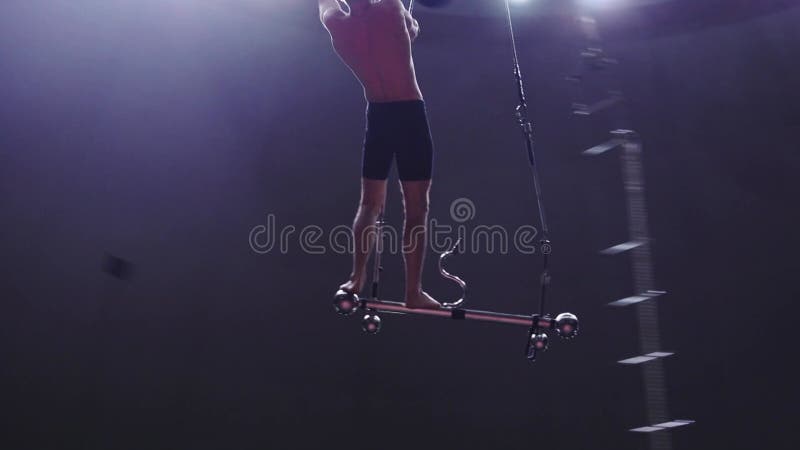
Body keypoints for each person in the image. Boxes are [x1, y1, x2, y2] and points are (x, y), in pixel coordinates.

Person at [319, 0, 441, 309]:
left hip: (379, 115)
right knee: (416, 208)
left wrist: (406, 27)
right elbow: (406, 28)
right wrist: (407, 26)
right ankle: (412, 292)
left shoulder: (336, 22)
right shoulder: (388, 8)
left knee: (369, 203)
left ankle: (356, 278)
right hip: (409, 113)